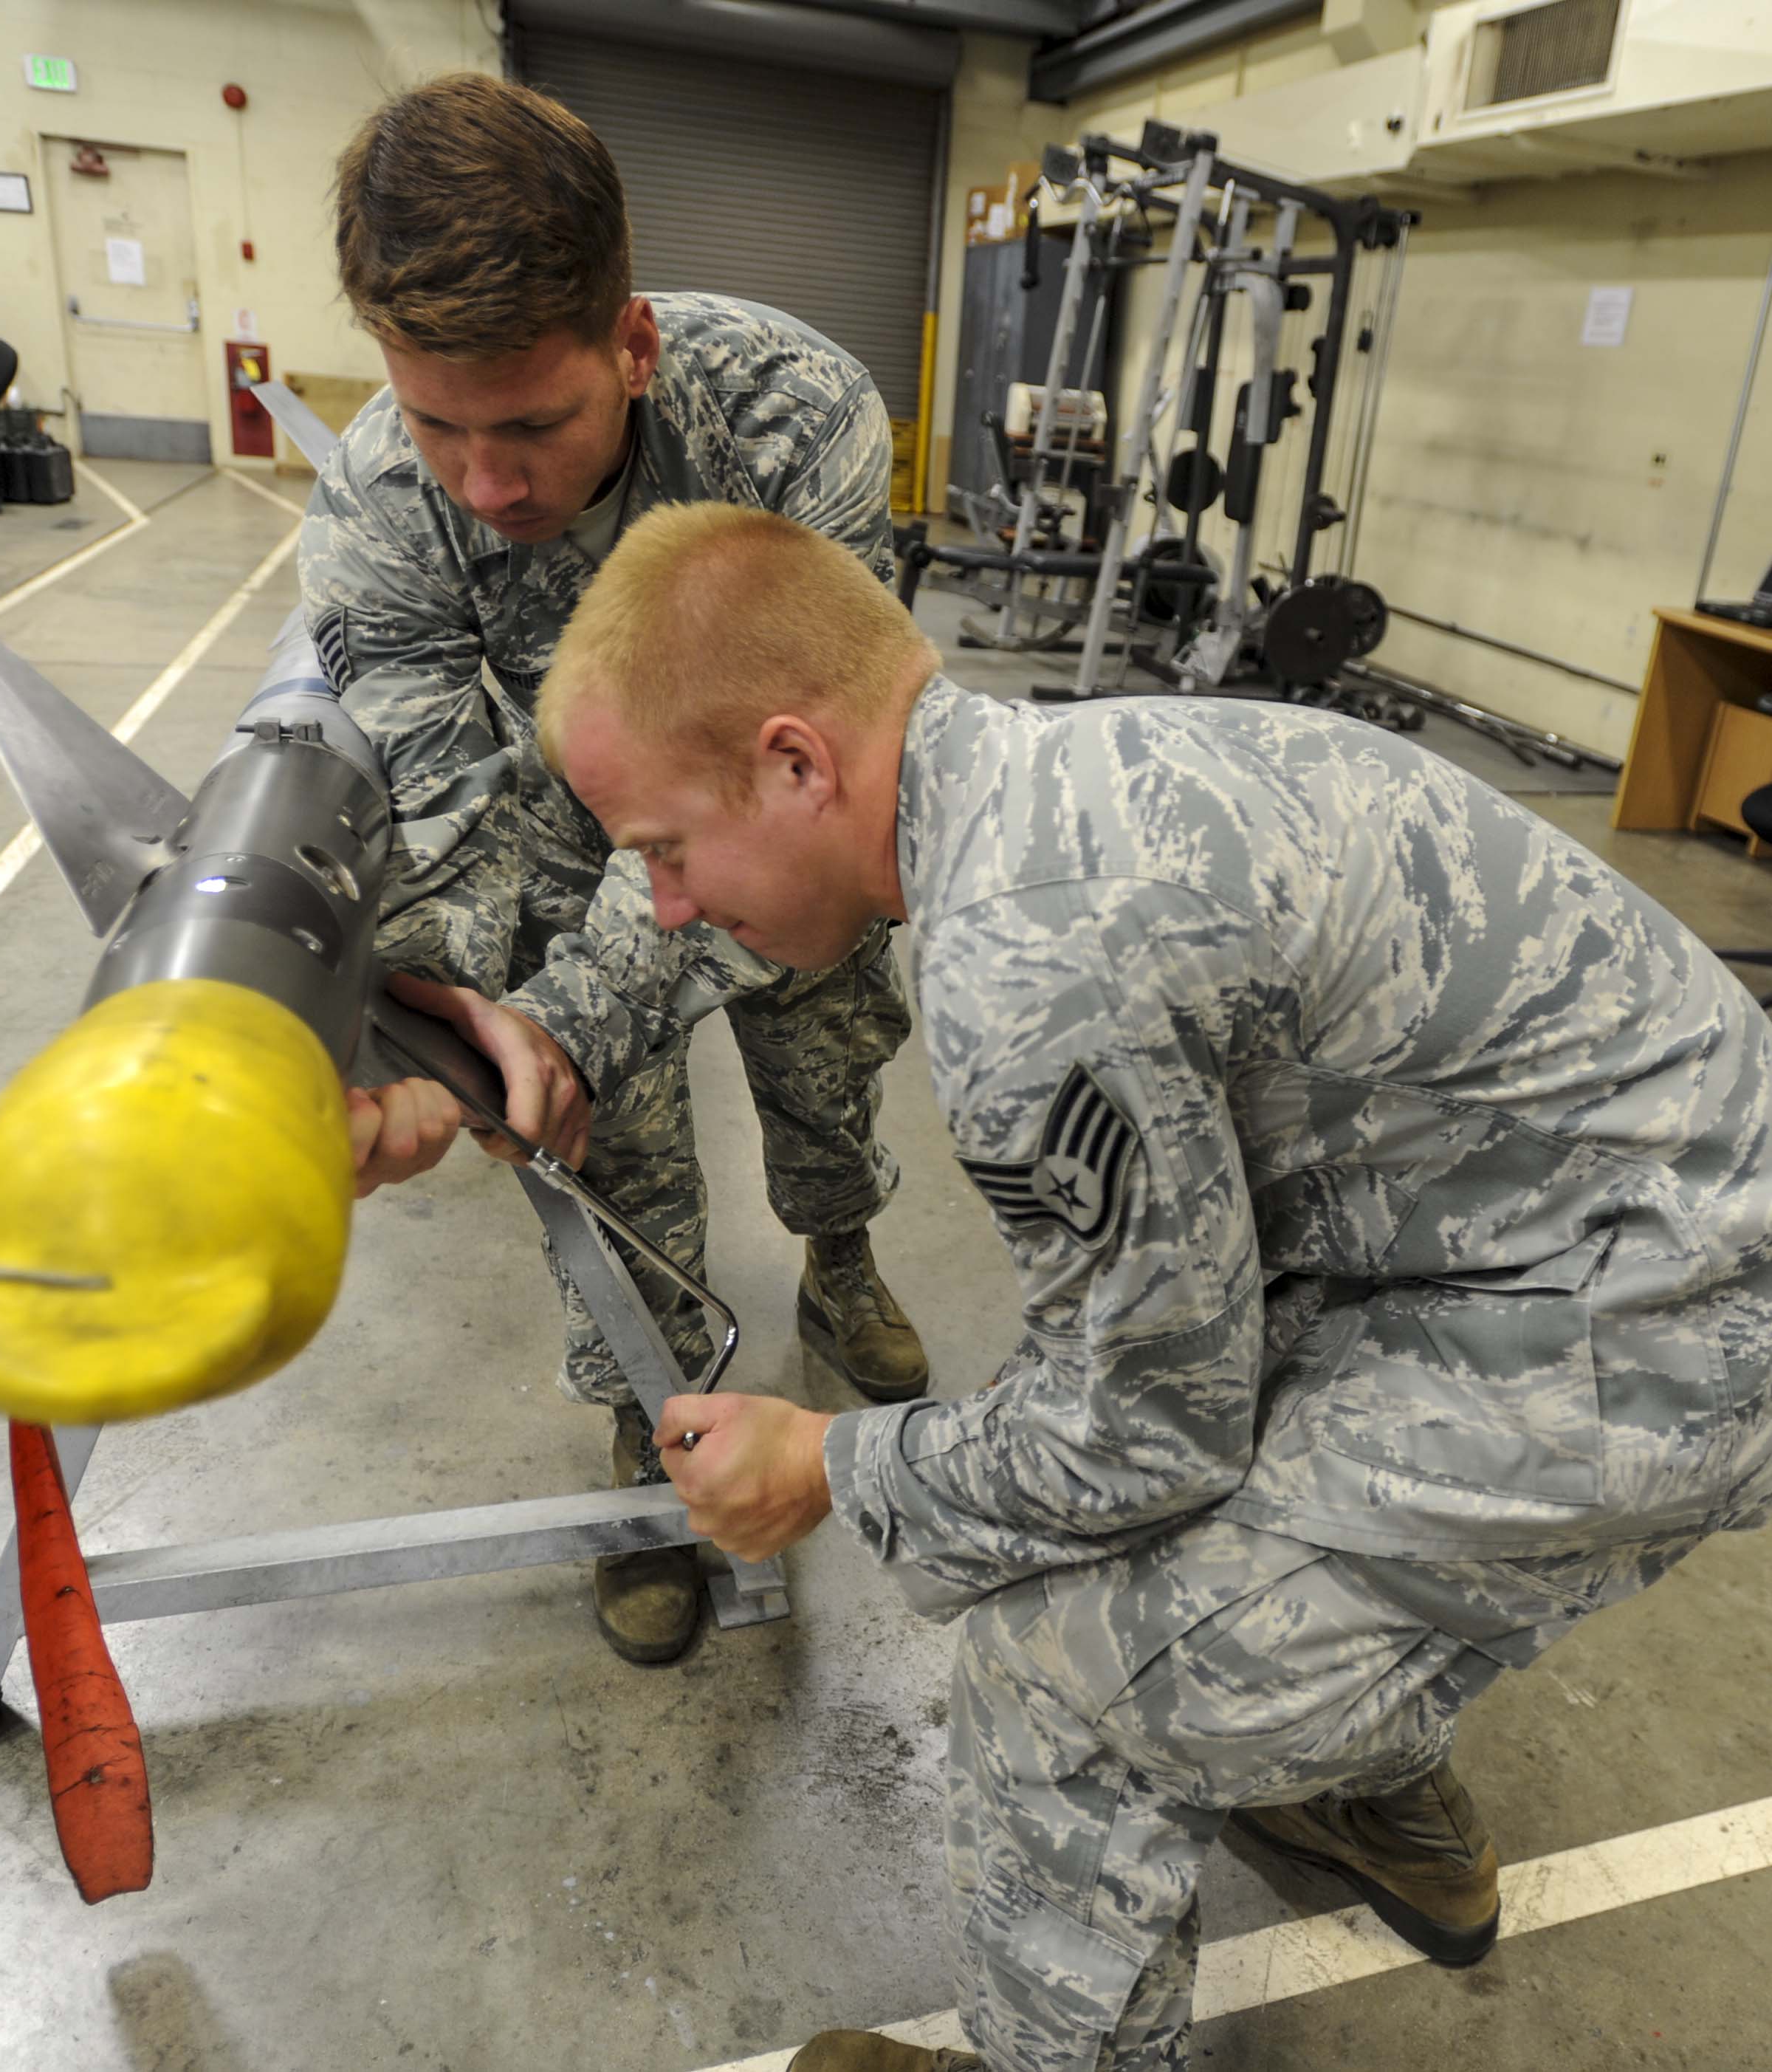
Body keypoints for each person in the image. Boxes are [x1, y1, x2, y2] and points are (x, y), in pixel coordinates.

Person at [519, 499, 1772, 2072]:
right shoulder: (1055, 775)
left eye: (665, 853)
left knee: (1059, 1682)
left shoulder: (1026, 965)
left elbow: (1144, 1435)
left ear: (794, 762)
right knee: (1218, 1508)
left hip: (1654, 1315)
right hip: (1577, 1220)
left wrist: (832, 1461)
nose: (679, 907)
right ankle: (1362, 1782)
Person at [304, 75, 930, 1666]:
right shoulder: (386, 503)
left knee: (827, 1061)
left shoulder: (797, 416)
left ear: (632, 346)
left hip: (774, 824)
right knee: (593, 1150)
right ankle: (651, 1441)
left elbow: (810, 793)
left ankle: (841, 1259)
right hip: (547, 816)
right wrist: (465, 1015)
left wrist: (582, 1002)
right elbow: (443, 807)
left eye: (530, 424)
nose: (485, 484)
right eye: (438, 420)